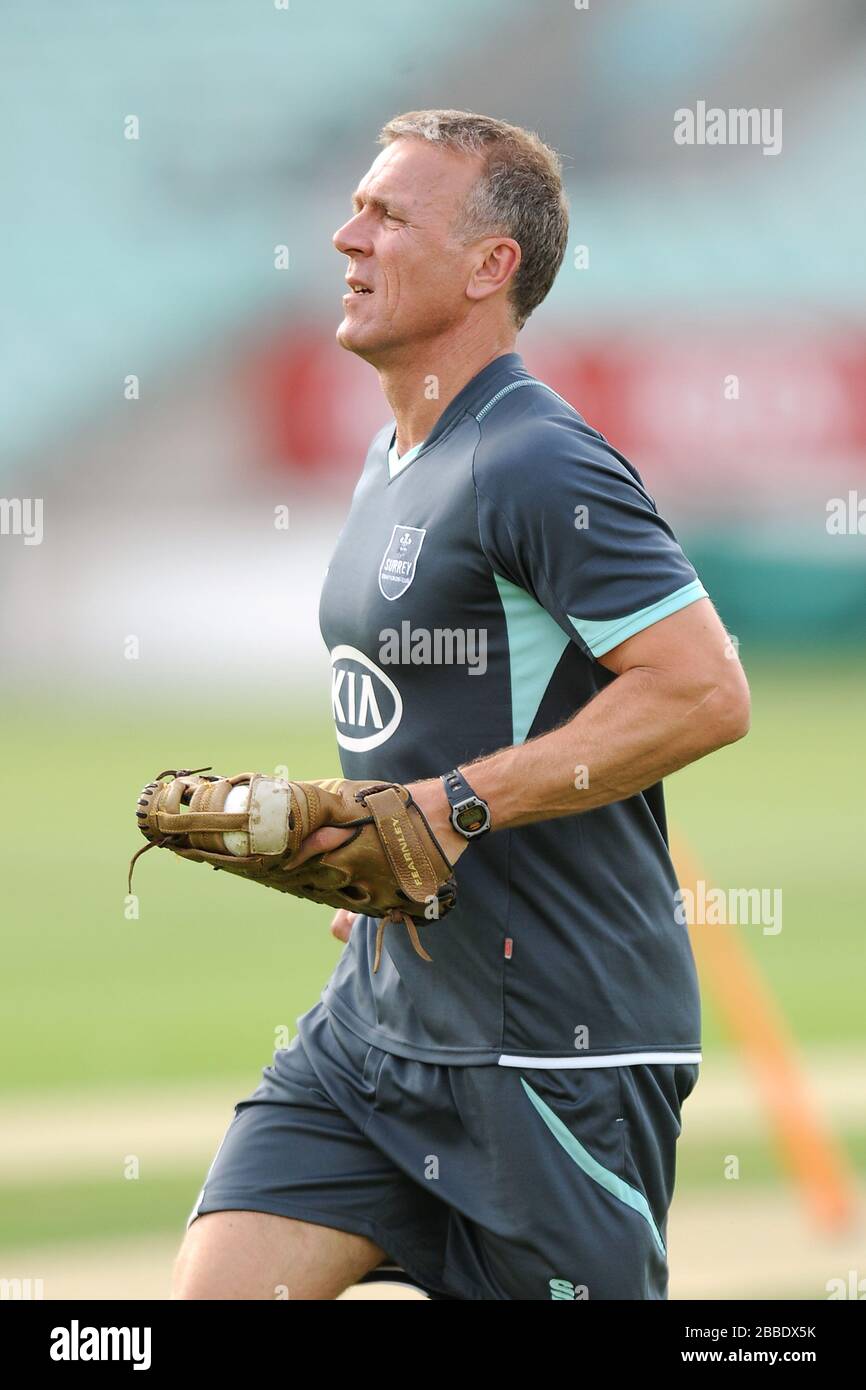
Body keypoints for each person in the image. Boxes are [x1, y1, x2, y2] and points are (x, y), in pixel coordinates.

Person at [172, 109, 750, 1301]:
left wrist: (448, 810)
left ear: (492, 266)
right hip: (372, 1031)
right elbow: (436, 717)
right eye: (354, 208)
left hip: (552, 1042)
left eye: (388, 216)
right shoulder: (390, 457)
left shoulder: (537, 457)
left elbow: (701, 691)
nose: (347, 237)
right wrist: (362, 854)